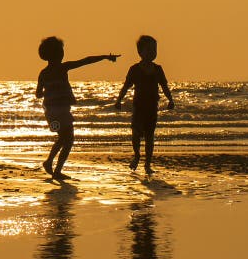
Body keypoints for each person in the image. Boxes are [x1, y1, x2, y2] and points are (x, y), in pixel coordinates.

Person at [36, 37, 118, 180]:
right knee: (68, 140)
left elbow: (38, 94)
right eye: (61, 51)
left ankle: (49, 163)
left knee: (62, 138)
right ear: (56, 54)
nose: (63, 53)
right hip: (61, 112)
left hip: (50, 113)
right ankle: (56, 170)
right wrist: (104, 57)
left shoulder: (43, 73)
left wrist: (49, 92)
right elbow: (85, 61)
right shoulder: (62, 68)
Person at [115, 35, 174, 175]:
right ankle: (137, 155)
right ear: (140, 52)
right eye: (149, 49)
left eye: (154, 49)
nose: (152, 52)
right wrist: (118, 100)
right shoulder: (134, 69)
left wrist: (170, 100)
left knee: (149, 136)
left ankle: (147, 164)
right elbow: (126, 86)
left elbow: (164, 86)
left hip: (152, 107)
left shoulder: (158, 69)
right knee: (136, 133)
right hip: (138, 106)